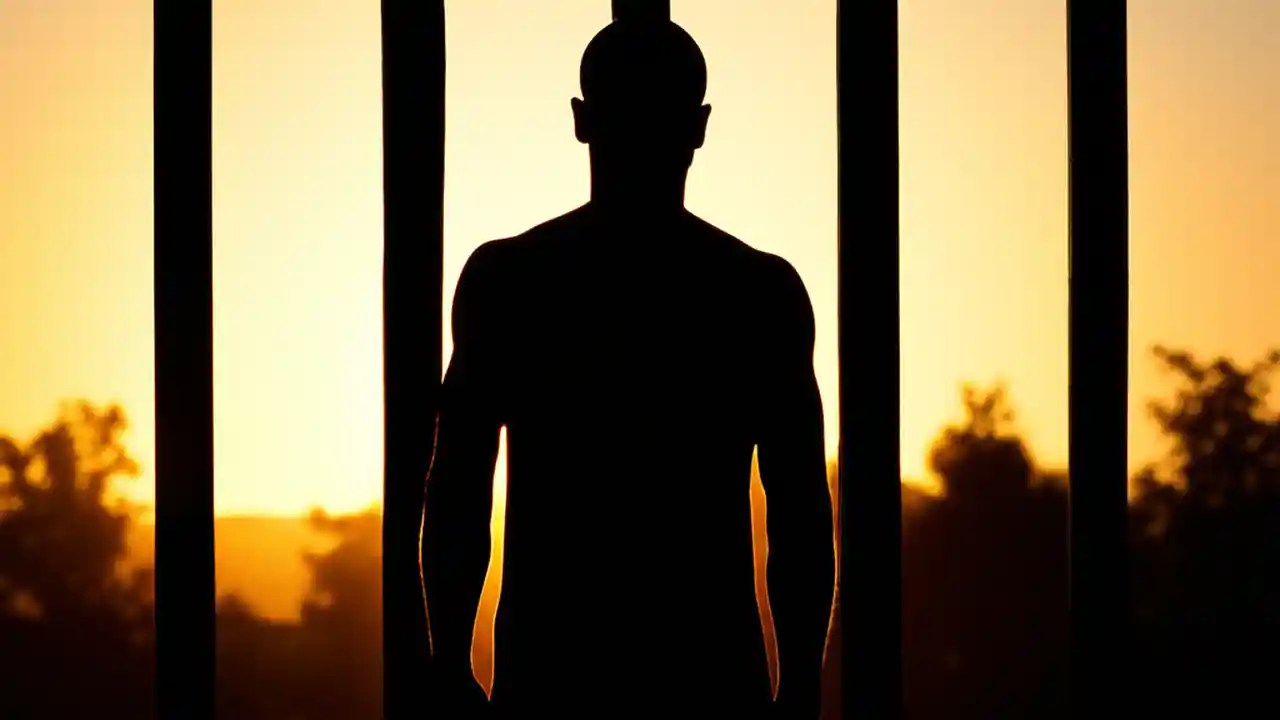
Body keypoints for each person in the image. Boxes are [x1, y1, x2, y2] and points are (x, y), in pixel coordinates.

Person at [420, 15, 834, 719]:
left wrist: (451, 663)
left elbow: (458, 490)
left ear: (581, 121)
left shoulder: (511, 282)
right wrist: (797, 685)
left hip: (553, 675)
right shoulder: (757, 294)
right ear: (700, 127)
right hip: (708, 676)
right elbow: (799, 515)